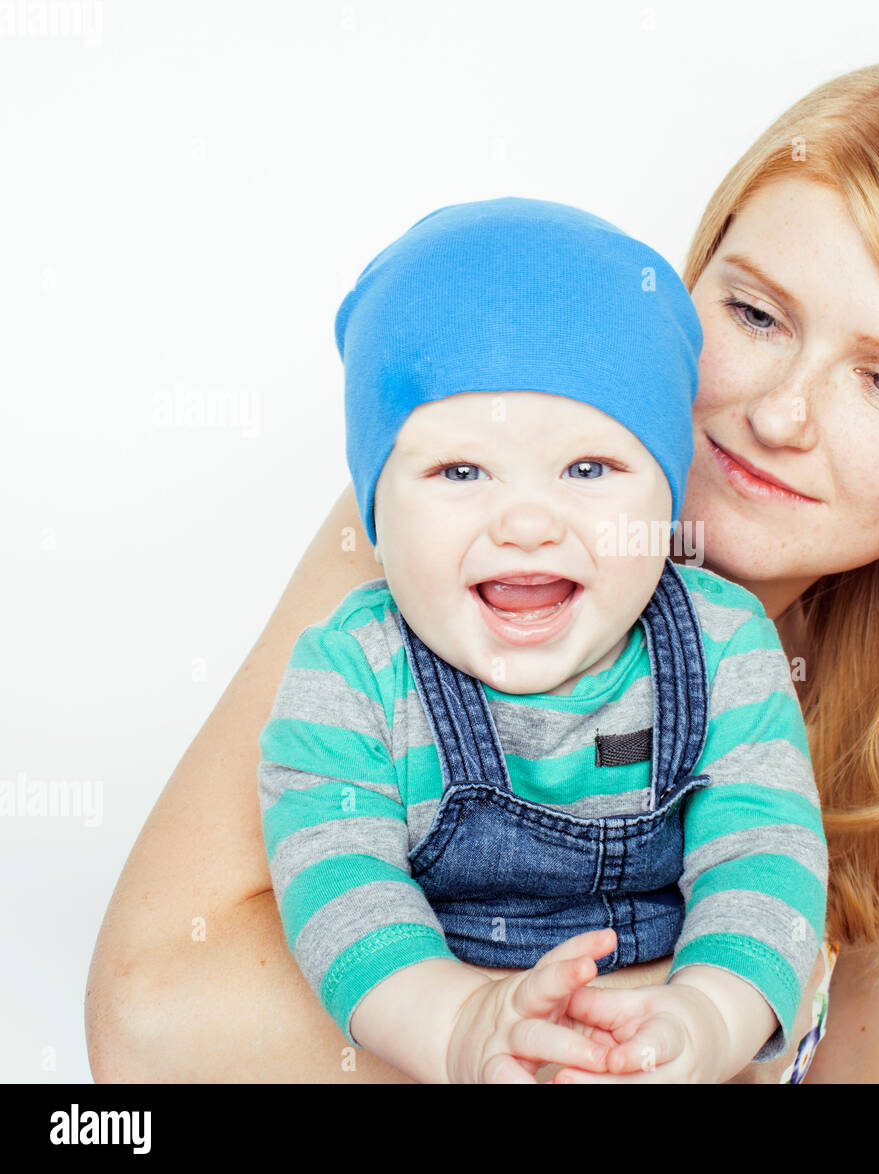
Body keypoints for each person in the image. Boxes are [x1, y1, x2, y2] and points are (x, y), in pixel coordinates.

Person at [87, 62, 879, 1085]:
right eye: (757, 313)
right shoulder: (448, 520)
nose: (777, 413)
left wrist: (733, 1011)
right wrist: (672, 1009)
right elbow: (151, 1013)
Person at [259, 196, 827, 1084]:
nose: (526, 521)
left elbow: (768, 855)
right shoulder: (353, 675)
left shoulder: (724, 650)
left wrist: (709, 1017)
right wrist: (456, 1024)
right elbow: (337, 889)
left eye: (589, 469)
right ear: (375, 509)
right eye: (460, 471)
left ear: (667, 497)